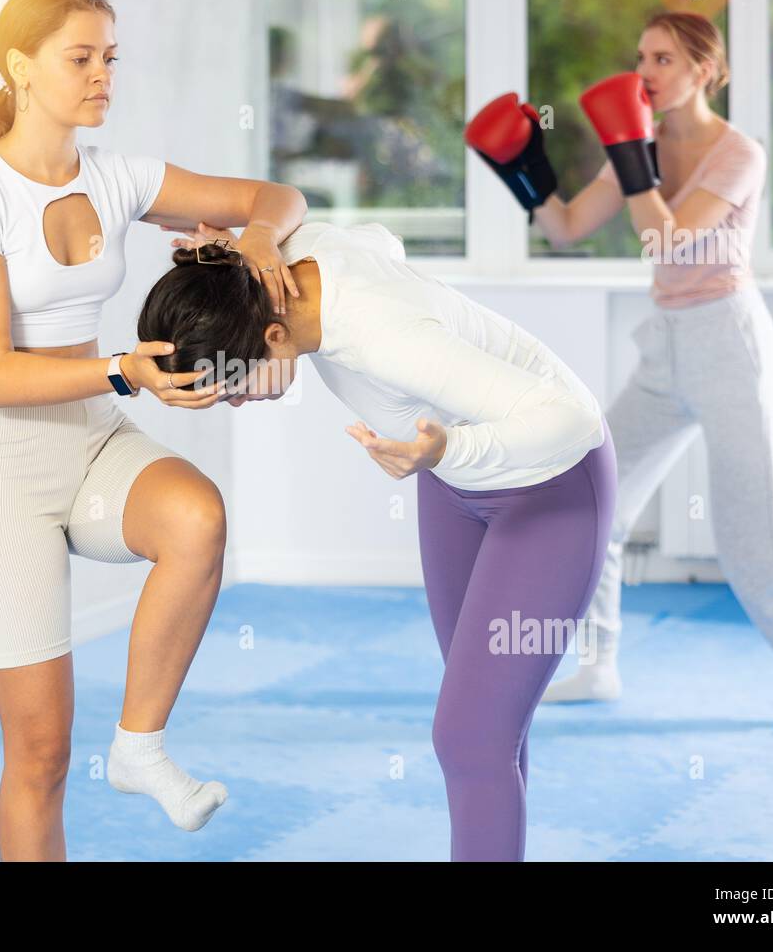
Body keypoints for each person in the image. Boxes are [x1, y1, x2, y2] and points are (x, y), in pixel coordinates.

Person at [0, 0, 307, 860]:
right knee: (41, 753)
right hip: (2, 473)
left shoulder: (118, 176)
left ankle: (139, 748)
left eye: (110, 58)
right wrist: (122, 371)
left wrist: (253, 238)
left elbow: (278, 198)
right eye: (81, 58)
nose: (103, 75)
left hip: (93, 440)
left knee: (197, 517)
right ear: (21, 68)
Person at [135, 220, 617, 862]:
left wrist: (454, 446)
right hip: (449, 485)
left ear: (273, 335)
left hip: (549, 488)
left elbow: (573, 419)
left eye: (231, 388)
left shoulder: (383, 337)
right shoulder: (289, 263)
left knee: (470, 738)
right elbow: (380, 239)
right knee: (490, 727)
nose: (235, 404)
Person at [466, 10, 773, 737]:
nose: (645, 72)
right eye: (641, 57)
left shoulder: (737, 153)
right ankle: (600, 664)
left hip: (730, 348)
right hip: (665, 349)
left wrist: (630, 154)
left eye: (663, 59)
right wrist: (525, 169)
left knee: (750, 546)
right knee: (596, 506)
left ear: (704, 72)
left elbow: (671, 241)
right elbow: (563, 229)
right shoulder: (637, 145)